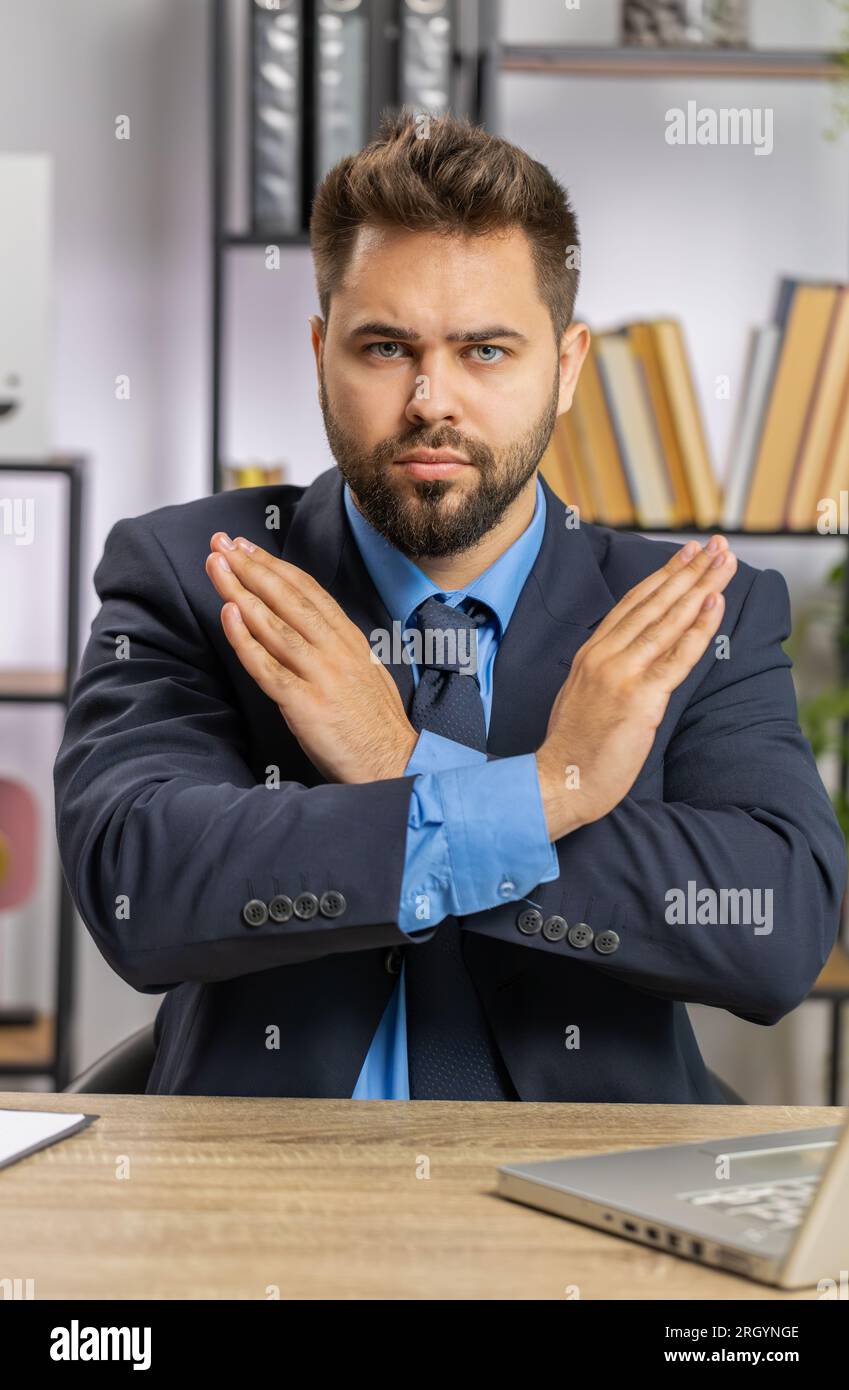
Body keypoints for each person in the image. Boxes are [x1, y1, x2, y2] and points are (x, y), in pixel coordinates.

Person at [54, 109, 846, 1102]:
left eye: (485, 352)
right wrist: (547, 791)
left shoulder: (690, 611)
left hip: (598, 1207)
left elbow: (774, 925)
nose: (433, 398)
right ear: (319, 352)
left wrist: (401, 766)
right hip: (262, 1202)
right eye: (386, 348)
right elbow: (143, 886)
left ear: (565, 370)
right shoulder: (196, 574)